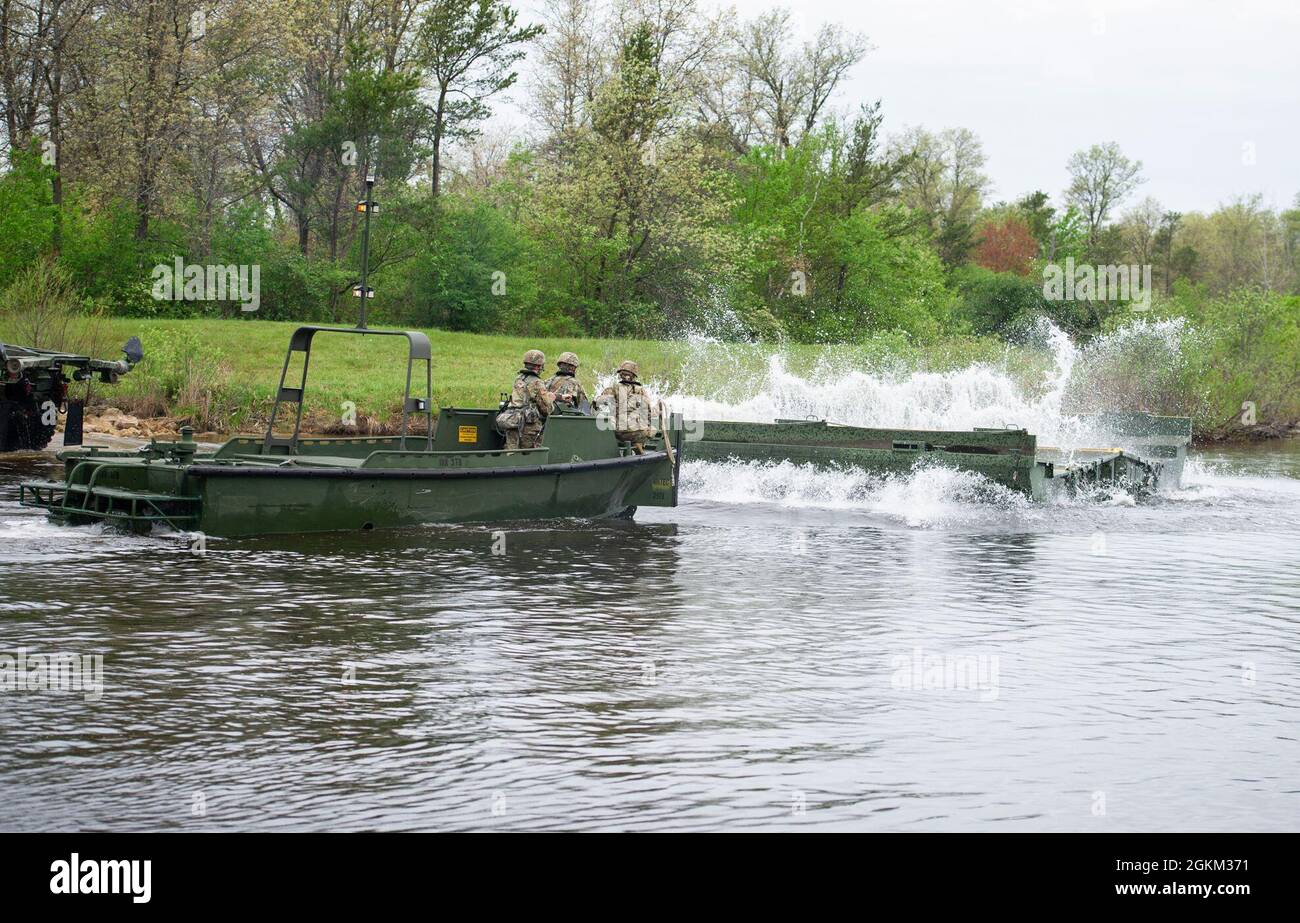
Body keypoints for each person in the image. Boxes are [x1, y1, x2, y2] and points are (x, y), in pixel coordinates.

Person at [496, 349, 554, 449]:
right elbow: (547, 409)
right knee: (529, 455)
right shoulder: (537, 382)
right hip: (528, 428)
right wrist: (551, 400)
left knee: (511, 451)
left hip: (512, 422)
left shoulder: (519, 378)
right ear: (538, 366)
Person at [594, 360, 655, 454]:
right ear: (634, 376)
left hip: (616, 433)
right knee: (653, 428)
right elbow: (649, 412)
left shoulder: (613, 388)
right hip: (635, 433)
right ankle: (639, 444)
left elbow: (597, 403)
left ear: (620, 374)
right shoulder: (640, 391)